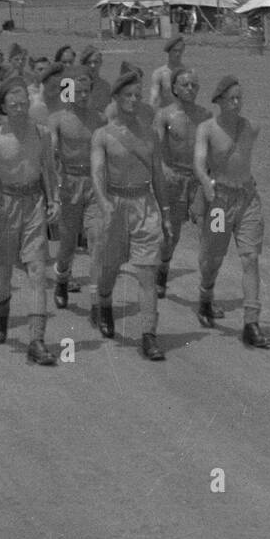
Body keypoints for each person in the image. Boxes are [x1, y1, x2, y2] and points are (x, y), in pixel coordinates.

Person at [0, 75, 61, 365]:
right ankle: (0, 315)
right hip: (4, 204)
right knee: (2, 271)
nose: (19, 106)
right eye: (12, 102)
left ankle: (36, 341)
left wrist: (54, 200)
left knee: (37, 270)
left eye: (23, 101)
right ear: (3, 106)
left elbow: (48, 168)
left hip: (34, 204)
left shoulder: (42, 134)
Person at [89, 72, 167, 361]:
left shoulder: (150, 133)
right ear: (116, 98)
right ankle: (104, 303)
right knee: (110, 267)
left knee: (147, 272)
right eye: (128, 95)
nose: (134, 100)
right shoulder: (102, 135)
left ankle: (149, 335)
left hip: (145, 205)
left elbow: (157, 175)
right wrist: (103, 202)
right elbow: (97, 172)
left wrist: (166, 213)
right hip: (115, 204)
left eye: (137, 95)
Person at [193, 76, 270, 347]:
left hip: (247, 199)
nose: (236, 104)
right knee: (212, 258)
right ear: (219, 101)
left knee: (250, 257)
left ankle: (251, 323)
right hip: (219, 203)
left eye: (239, 98)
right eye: (231, 99)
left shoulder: (251, 127)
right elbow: (199, 163)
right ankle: (206, 296)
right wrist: (206, 183)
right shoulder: (207, 129)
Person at [153, 66, 209, 298]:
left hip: (199, 182)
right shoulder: (165, 115)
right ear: (174, 88)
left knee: (209, 236)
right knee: (171, 235)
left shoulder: (205, 116)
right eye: (185, 85)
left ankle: (206, 296)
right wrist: (160, 174)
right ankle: (161, 273)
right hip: (173, 181)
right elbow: (155, 150)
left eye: (194, 85)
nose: (190, 89)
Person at [47, 68, 97, 308]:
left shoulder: (99, 119)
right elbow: (51, 157)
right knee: (68, 244)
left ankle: (99, 299)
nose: (83, 96)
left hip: (94, 184)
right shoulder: (58, 119)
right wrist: (55, 191)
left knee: (97, 238)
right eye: (78, 91)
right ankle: (62, 279)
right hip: (69, 183)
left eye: (87, 91)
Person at [149, 35, 186, 111]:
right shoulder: (159, 73)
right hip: (165, 113)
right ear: (169, 52)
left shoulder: (187, 73)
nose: (178, 54)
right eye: (175, 51)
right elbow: (154, 97)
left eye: (180, 51)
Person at [80, 46, 112, 116]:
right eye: (89, 62)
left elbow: (107, 114)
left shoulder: (106, 87)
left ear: (100, 63)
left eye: (95, 62)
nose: (93, 65)